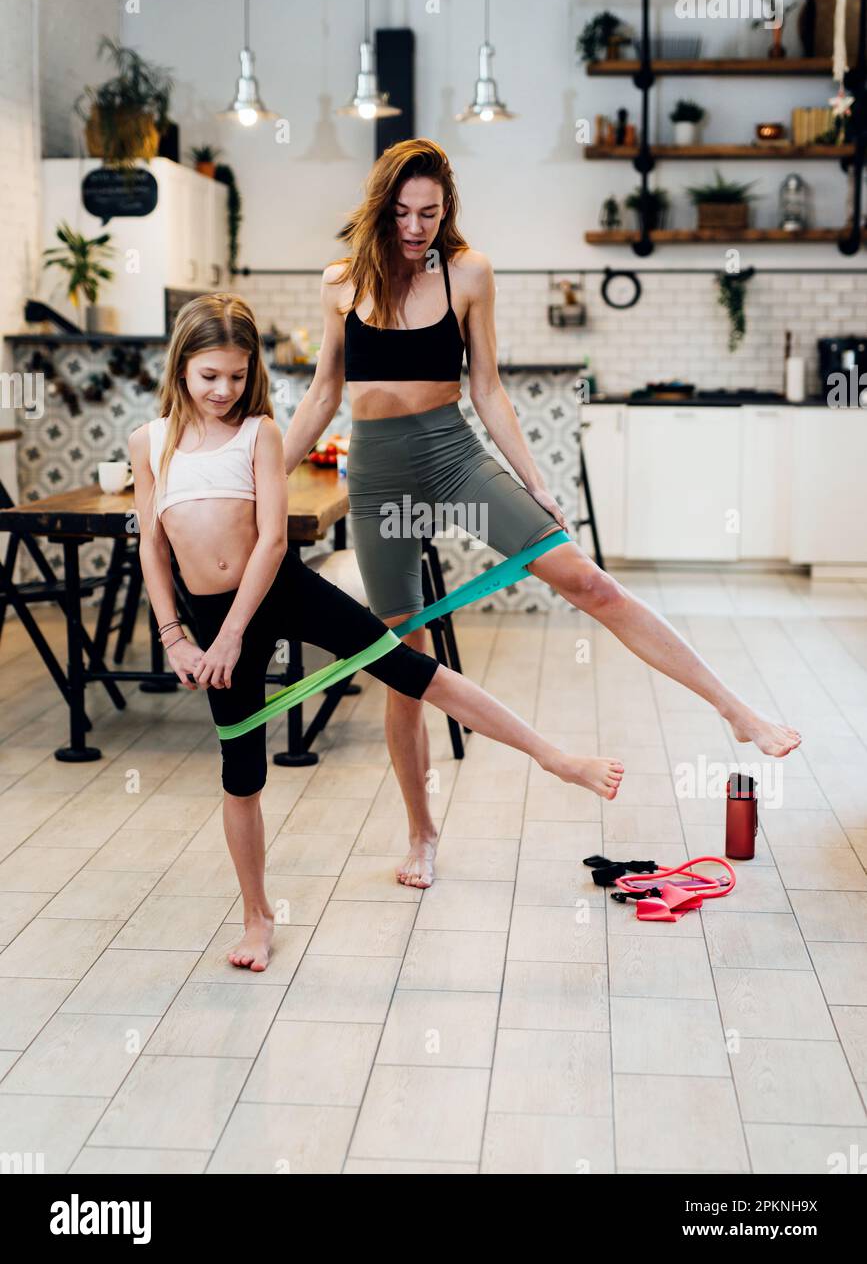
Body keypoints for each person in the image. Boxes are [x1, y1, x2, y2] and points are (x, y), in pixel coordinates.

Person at [281, 137, 802, 891]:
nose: (415, 226)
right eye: (402, 212)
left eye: (429, 212)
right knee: (404, 661)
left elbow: (487, 387)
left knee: (588, 583)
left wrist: (535, 483)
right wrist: (269, 472)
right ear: (380, 207)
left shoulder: (468, 273)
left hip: (451, 452)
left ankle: (734, 710)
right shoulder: (340, 282)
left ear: (446, 207)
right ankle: (422, 833)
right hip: (378, 472)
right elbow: (324, 391)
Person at [128, 293, 624, 972]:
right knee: (240, 774)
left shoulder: (260, 433)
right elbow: (152, 548)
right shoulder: (150, 443)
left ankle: (555, 759)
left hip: (276, 594)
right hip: (209, 622)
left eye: (238, 377)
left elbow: (273, 540)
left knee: (409, 670)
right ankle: (257, 917)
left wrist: (233, 634)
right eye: (209, 375)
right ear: (180, 367)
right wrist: (176, 635)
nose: (224, 390)